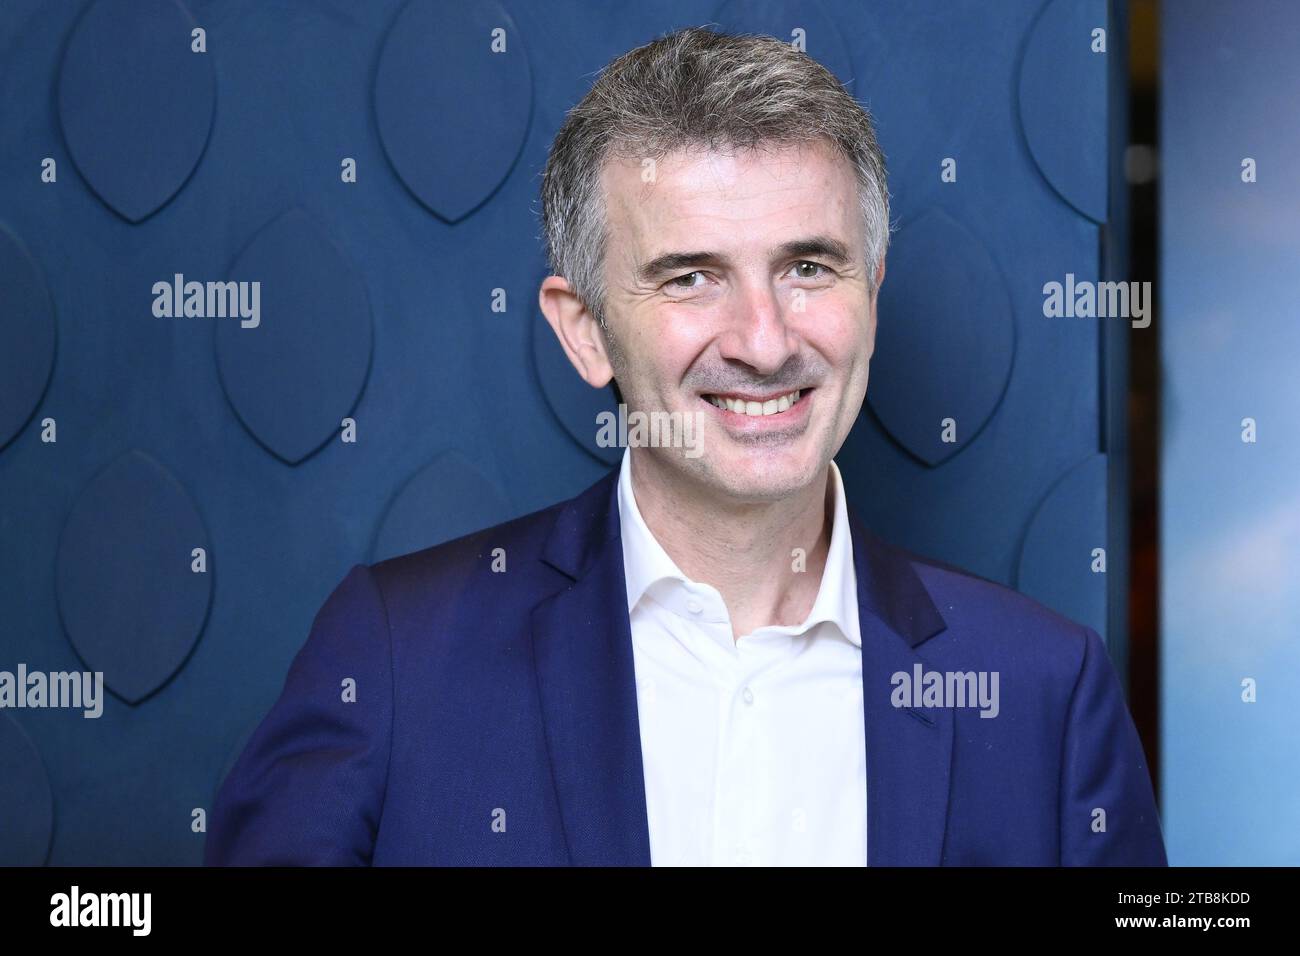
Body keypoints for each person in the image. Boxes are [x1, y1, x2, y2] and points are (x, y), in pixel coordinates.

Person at [206, 26, 1166, 866]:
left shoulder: (1046, 692)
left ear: (871, 290)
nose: (764, 339)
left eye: (807, 266)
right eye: (691, 277)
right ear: (584, 331)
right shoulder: (394, 657)